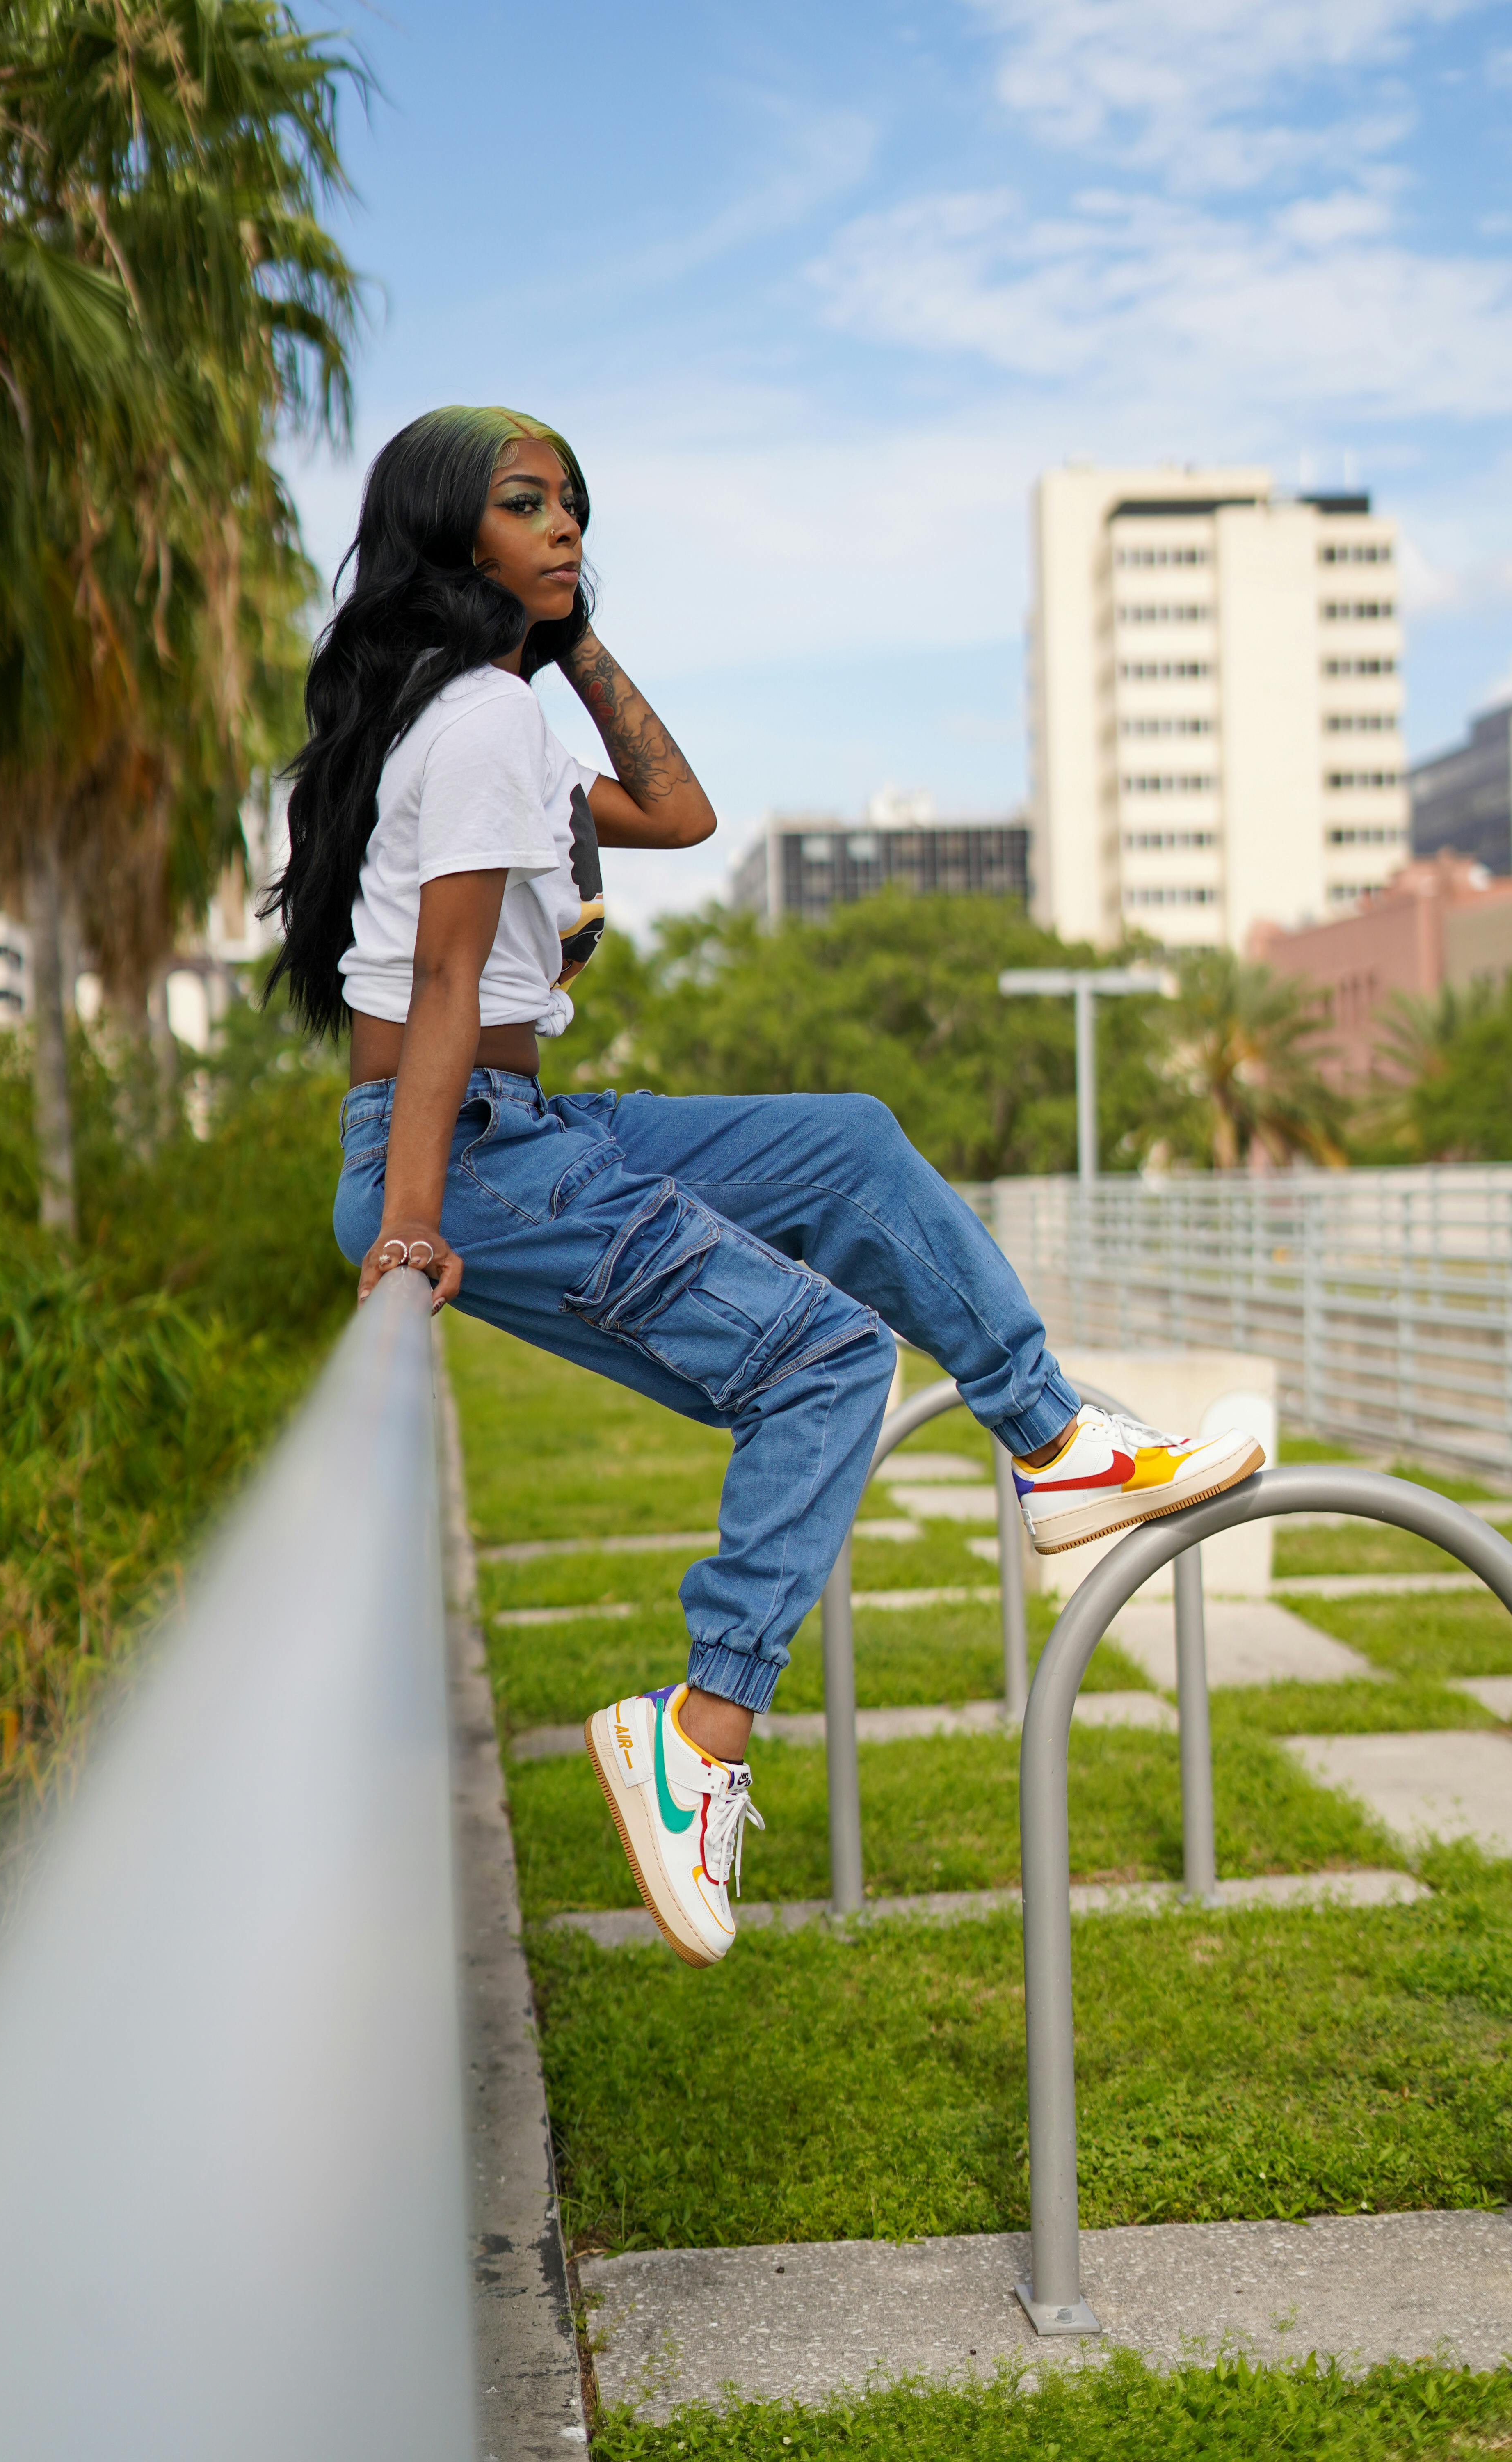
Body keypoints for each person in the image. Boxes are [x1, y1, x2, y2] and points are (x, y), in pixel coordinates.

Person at [267, 405, 1263, 1969]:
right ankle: (703, 1733)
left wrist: (574, 637)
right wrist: (409, 1224)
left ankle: (1054, 1444)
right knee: (826, 1354)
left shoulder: (489, 713)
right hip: (462, 1152)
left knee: (853, 1139)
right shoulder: (475, 722)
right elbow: (446, 980)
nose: (568, 525)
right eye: (529, 507)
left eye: (576, 506)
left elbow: (678, 815)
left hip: (525, 1125)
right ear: (452, 534)